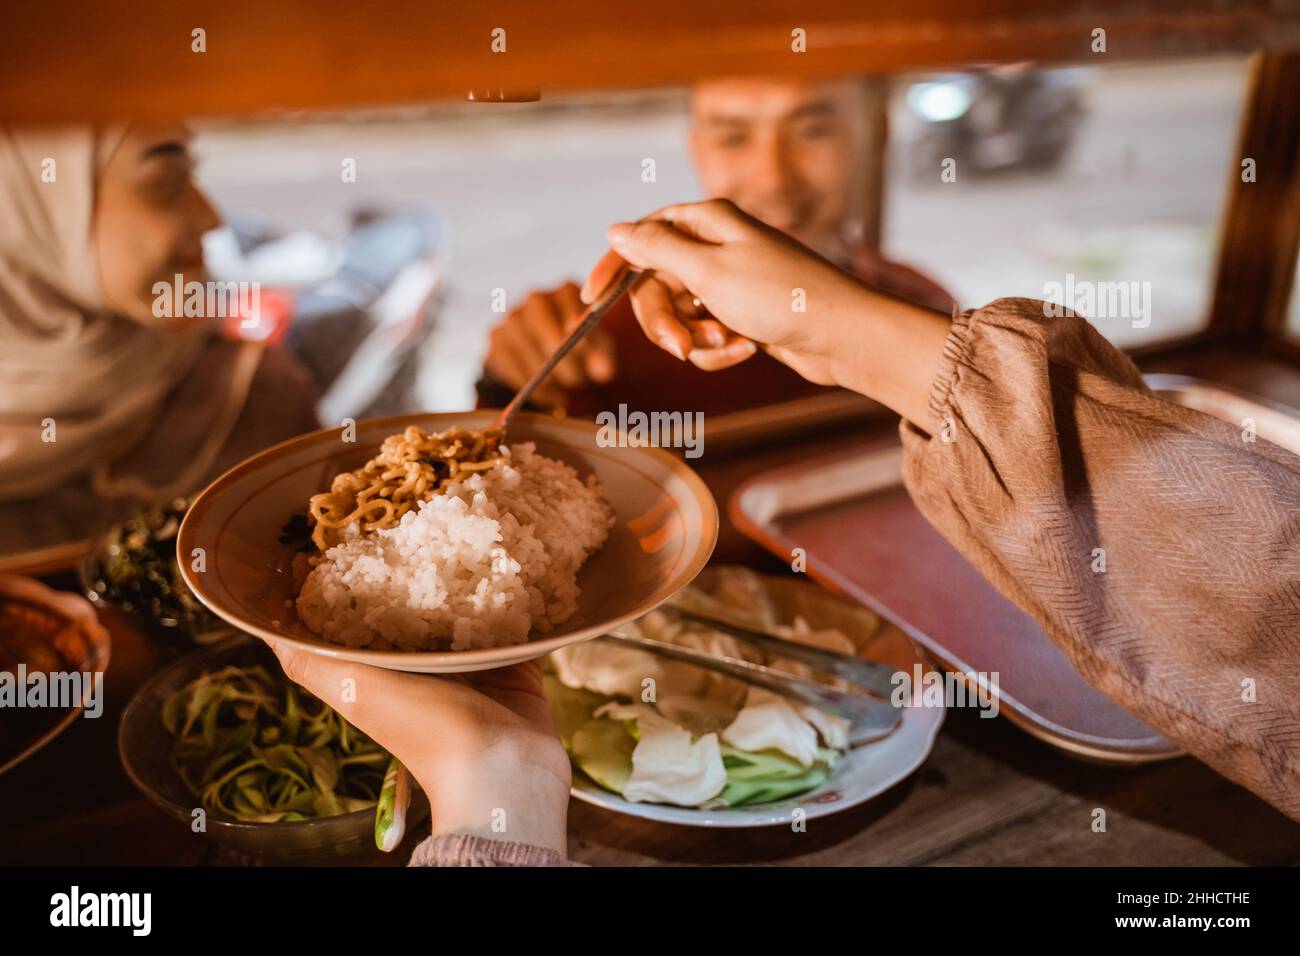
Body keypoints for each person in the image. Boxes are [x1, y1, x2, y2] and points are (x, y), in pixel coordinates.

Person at [271, 198, 1300, 866]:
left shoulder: (909, 292)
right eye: (735, 126)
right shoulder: (628, 324)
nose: (771, 165)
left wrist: (497, 791)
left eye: (811, 123)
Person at [478, 76, 953, 415]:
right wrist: (507, 380)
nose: (773, 177)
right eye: (732, 137)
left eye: (812, 131)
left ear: (875, 137)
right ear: (696, 148)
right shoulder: (618, 338)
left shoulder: (920, 305)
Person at [0, 125, 319, 555]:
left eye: (190, 174)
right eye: (168, 182)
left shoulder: (258, 400)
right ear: (29, 204)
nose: (211, 217)